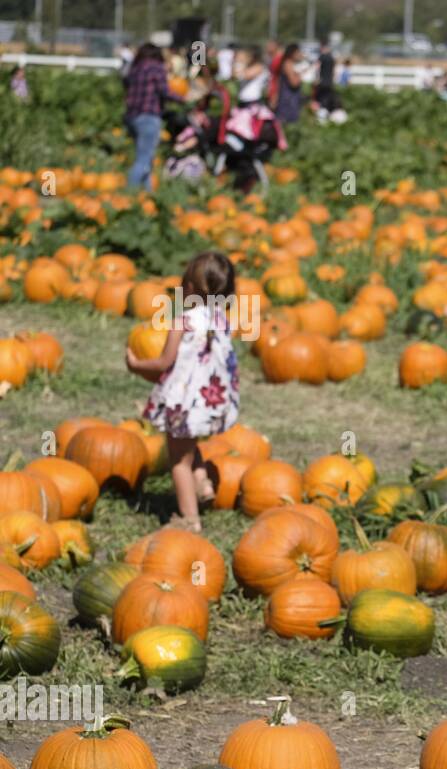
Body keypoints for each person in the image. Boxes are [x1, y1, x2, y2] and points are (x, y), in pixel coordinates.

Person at [127, 252, 241, 534]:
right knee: (189, 446)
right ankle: (202, 483)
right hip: (212, 402)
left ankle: (189, 519)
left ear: (189, 287)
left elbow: (164, 362)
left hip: (186, 403)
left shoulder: (183, 320)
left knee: (178, 460)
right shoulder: (223, 320)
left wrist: (136, 364)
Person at [123, 43, 184, 189]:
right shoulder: (156, 68)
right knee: (143, 160)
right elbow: (165, 92)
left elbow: (125, 85)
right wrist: (184, 99)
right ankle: (128, 195)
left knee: (146, 159)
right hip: (148, 117)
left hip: (131, 116)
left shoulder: (135, 68)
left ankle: (147, 195)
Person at [271, 43, 304, 123]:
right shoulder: (288, 64)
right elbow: (294, 83)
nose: (299, 54)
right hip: (288, 101)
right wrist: (300, 75)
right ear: (293, 53)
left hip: (288, 99)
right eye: (298, 52)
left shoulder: (288, 63)